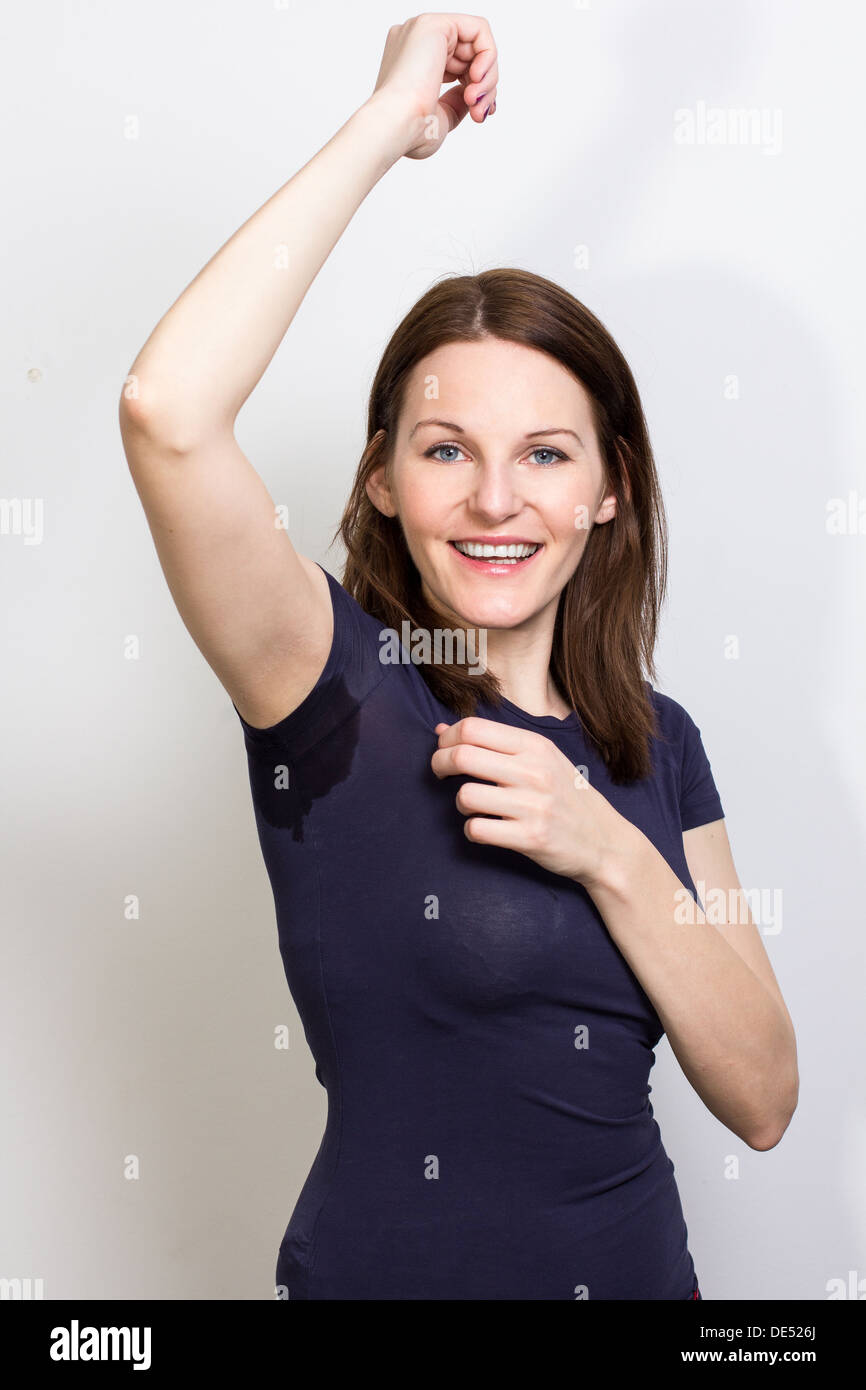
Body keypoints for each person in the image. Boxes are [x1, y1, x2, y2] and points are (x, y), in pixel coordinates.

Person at [118, 13, 798, 1300]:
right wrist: (387, 123)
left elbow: (762, 1093)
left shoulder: (657, 740)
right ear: (379, 478)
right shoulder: (332, 688)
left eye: (546, 452)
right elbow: (168, 411)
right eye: (444, 450)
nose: (496, 498)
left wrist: (599, 840)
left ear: (608, 490)